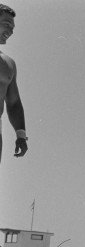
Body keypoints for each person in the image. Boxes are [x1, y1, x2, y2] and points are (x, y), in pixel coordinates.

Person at [0, 4, 27, 164]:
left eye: (13, 28)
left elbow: (13, 102)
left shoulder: (8, 64)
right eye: (7, 24)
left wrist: (21, 135)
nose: (10, 32)